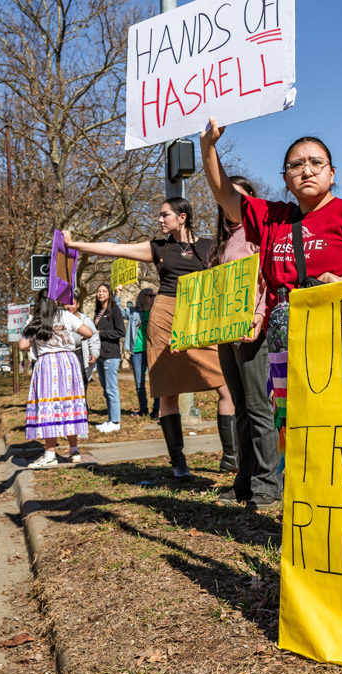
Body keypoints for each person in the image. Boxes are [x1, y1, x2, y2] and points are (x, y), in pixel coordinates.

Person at [200, 118, 342, 502]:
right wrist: (208, 147)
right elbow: (226, 196)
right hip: (283, 334)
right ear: (285, 178)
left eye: (316, 162)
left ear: (332, 173)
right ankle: (300, 488)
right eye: (296, 164)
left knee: (337, 414)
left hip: (339, 330)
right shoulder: (273, 218)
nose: (306, 170)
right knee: (291, 415)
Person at [63, 198, 236, 480]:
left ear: (182, 217)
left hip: (200, 315)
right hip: (165, 316)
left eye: (164, 215)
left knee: (225, 385)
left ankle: (231, 457)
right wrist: (76, 245)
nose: (159, 219)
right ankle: (178, 463)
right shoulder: (158, 248)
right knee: (168, 390)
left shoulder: (209, 246)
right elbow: (114, 248)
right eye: (159, 215)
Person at [209, 175, 281, 506]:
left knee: (258, 407)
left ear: (250, 200)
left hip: (252, 331)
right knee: (240, 409)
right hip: (226, 333)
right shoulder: (220, 244)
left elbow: (269, 278)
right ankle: (245, 479)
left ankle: (268, 483)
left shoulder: (257, 236)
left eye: (238, 197)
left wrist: (259, 316)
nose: (231, 204)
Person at [18, 290, 94, 468]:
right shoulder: (66, 316)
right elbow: (89, 332)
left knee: (49, 407)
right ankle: (74, 450)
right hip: (68, 362)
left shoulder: (35, 319)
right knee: (70, 405)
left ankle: (50, 453)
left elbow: (23, 345)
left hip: (47, 365)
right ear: (56, 301)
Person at [119, 285, 160, 419]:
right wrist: (118, 294)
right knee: (139, 383)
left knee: (156, 381)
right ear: (143, 297)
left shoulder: (157, 312)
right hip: (137, 351)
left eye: (153, 295)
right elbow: (118, 312)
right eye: (149, 295)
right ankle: (143, 409)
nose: (152, 298)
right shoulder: (133, 312)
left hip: (153, 350)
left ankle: (157, 409)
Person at [92, 283, 125, 433]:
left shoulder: (114, 310)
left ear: (109, 294)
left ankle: (115, 421)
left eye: (104, 291)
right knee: (106, 389)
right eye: (99, 291)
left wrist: (101, 333)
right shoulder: (98, 311)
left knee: (112, 389)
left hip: (111, 355)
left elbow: (120, 332)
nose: (101, 294)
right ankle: (110, 418)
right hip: (100, 354)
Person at [64, 302, 100, 387]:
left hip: (80, 355)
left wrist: (94, 354)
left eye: (72, 303)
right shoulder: (60, 318)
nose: (69, 306)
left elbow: (94, 338)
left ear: (78, 304)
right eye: (66, 304)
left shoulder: (85, 320)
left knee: (81, 386)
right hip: (65, 355)